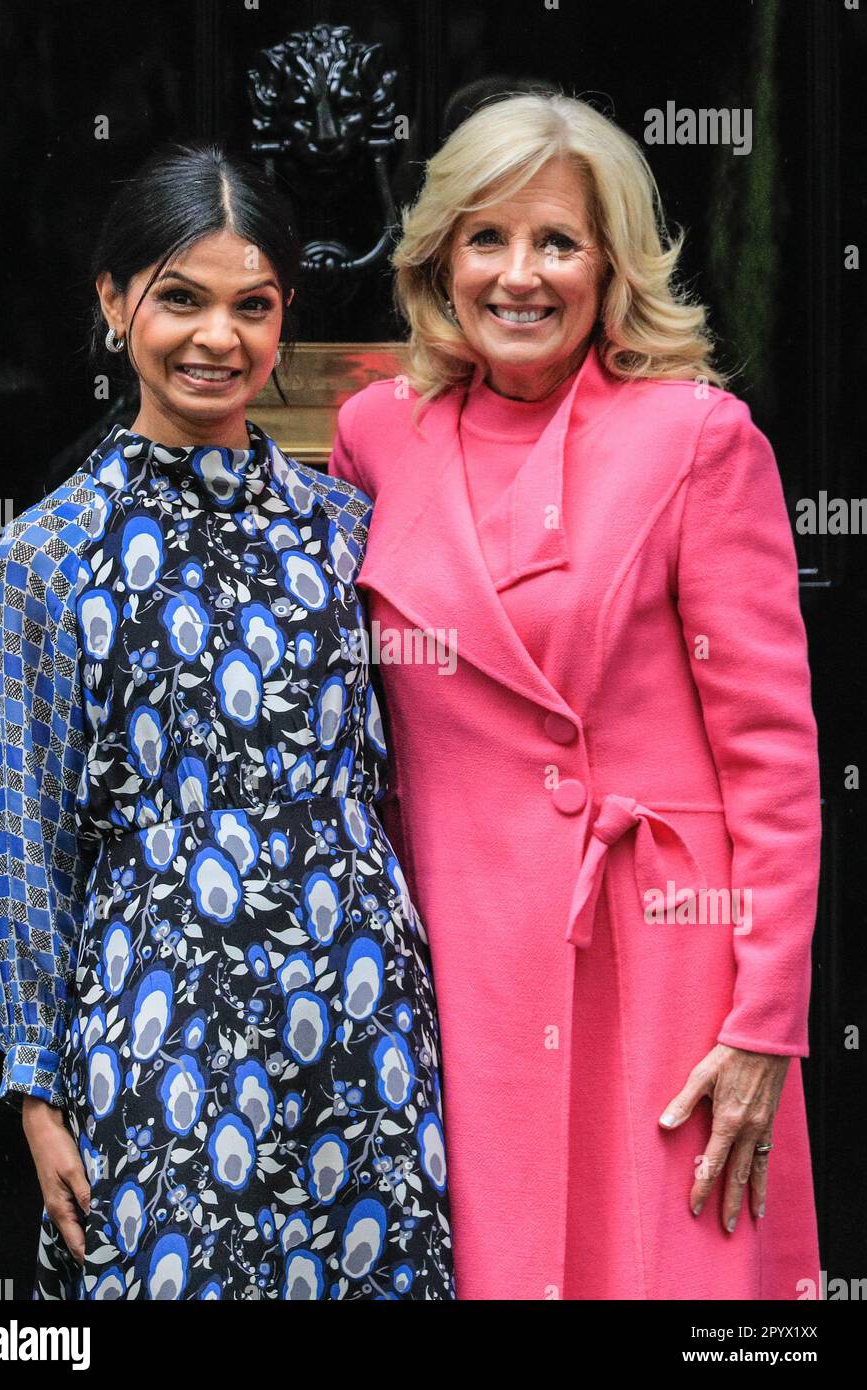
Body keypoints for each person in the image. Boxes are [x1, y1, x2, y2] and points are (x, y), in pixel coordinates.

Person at [328, 90, 822, 1300]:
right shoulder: (372, 433)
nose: (519, 275)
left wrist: (763, 1022)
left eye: (557, 241)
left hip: (662, 956)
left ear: (611, 264)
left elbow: (770, 749)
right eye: (487, 239)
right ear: (441, 256)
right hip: (459, 957)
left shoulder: (697, 436)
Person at [0, 141, 455, 1301]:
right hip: (162, 1012)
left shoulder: (350, 530)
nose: (217, 338)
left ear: (284, 316)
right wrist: (40, 1091)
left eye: (252, 306)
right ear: (112, 302)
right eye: (179, 298)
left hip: (360, 1009)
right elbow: (26, 842)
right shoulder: (49, 552)